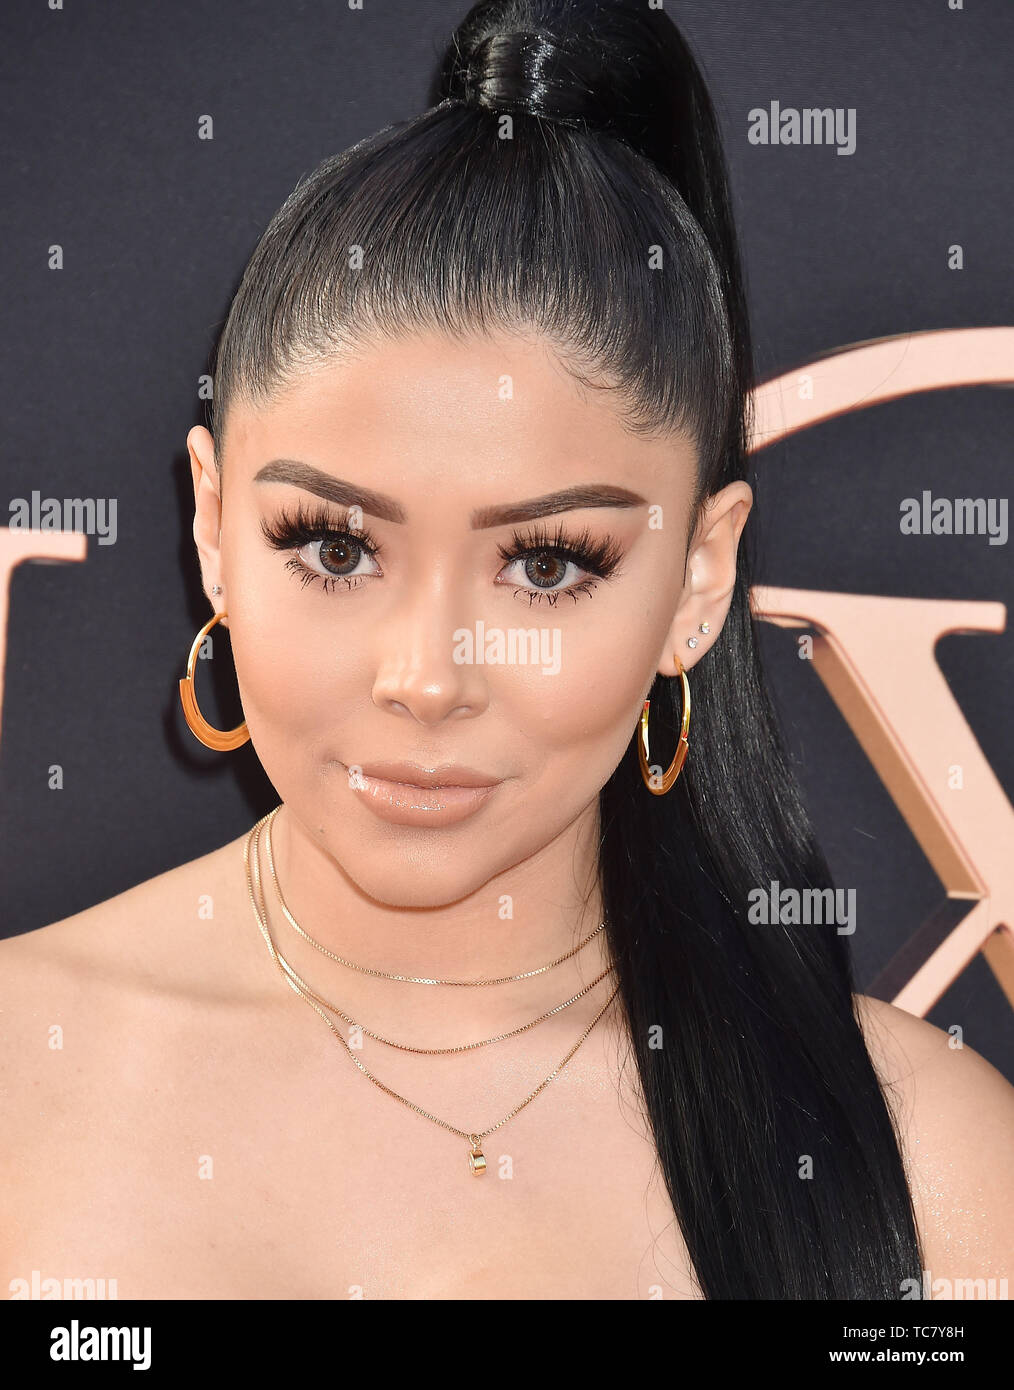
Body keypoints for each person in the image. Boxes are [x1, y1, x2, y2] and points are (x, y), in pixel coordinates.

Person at [1, 0, 1011, 1301]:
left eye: (546, 566)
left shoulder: (926, 1171)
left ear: (695, 580)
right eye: (332, 545)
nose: (425, 674)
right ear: (211, 527)